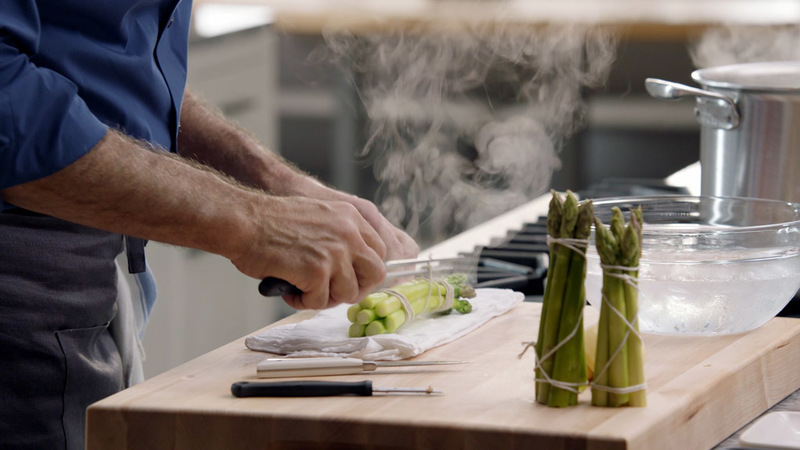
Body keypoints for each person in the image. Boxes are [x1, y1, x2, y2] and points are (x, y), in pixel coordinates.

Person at [0, 1, 418, 449]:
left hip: (99, 267)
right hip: (23, 292)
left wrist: (272, 181)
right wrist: (257, 223)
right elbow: (10, 103)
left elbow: (108, 70)